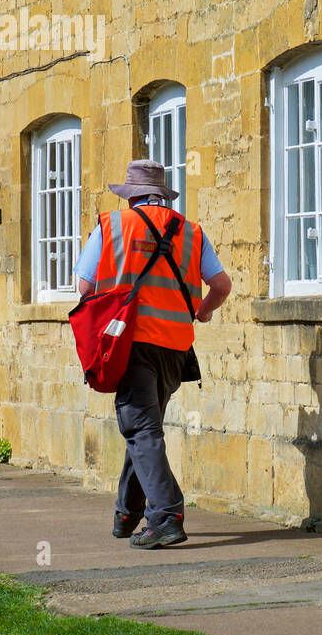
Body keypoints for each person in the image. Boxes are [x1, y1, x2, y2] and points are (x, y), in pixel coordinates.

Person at [75, 160, 232, 549]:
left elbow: (83, 287)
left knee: (140, 428)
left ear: (131, 196)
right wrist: (205, 309)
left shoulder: (112, 226)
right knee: (143, 426)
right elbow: (222, 285)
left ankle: (165, 516)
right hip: (176, 348)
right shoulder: (191, 232)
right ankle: (127, 513)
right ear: (162, 196)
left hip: (130, 343)